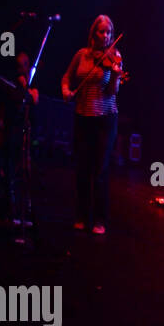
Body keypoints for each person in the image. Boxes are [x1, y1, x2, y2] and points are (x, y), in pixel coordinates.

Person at [60, 15, 123, 235]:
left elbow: (112, 92)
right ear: (93, 33)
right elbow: (66, 77)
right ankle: (80, 215)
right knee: (82, 168)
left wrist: (115, 76)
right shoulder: (82, 55)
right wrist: (66, 91)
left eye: (108, 32)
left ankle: (99, 219)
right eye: (101, 31)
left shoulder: (115, 57)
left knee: (100, 169)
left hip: (105, 118)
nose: (105, 36)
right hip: (83, 116)